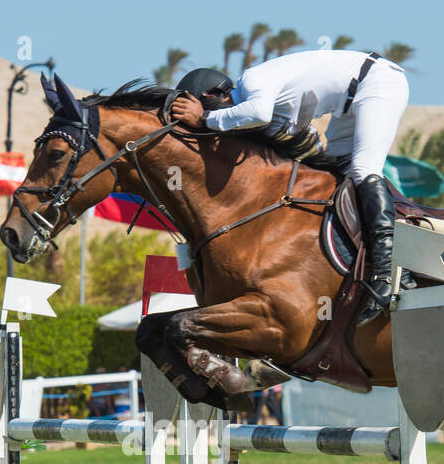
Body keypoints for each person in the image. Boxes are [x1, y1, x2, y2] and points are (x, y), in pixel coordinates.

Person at [171, 50, 410, 325]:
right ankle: (357, 260)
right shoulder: (271, 115)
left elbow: (256, 112)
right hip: (348, 104)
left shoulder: (253, 80)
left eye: (209, 110)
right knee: (336, 173)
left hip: (377, 82)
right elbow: (306, 144)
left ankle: (388, 272)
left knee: (363, 168)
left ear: (213, 95)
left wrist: (204, 120)